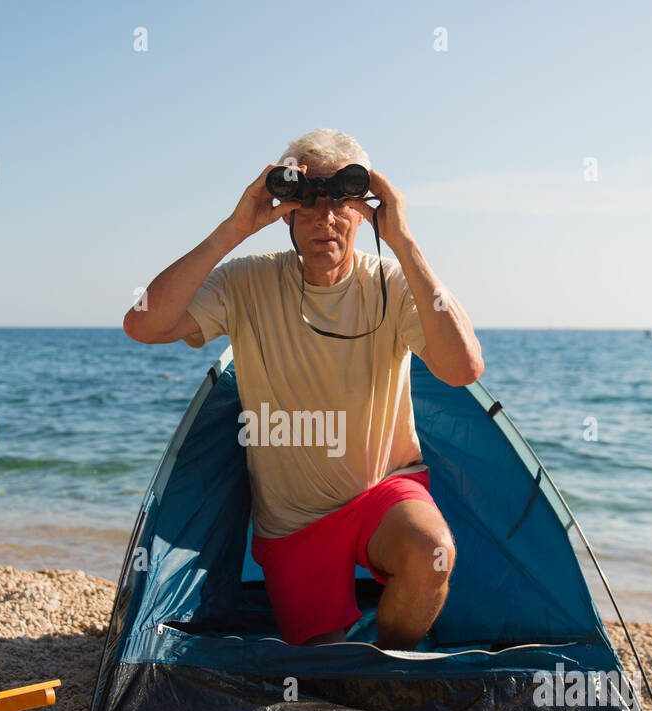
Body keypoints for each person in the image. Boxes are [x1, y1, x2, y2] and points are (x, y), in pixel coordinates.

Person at [124, 129, 482, 650]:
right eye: (307, 202)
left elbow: (463, 368)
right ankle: (351, 653)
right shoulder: (248, 282)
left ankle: (387, 661)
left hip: (381, 493)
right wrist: (234, 228)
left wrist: (404, 241)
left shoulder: (392, 282)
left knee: (432, 553)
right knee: (323, 665)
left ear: (362, 212)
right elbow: (143, 324)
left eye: (341, 201)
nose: (325, 218)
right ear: (287, 212)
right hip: (292, 528)